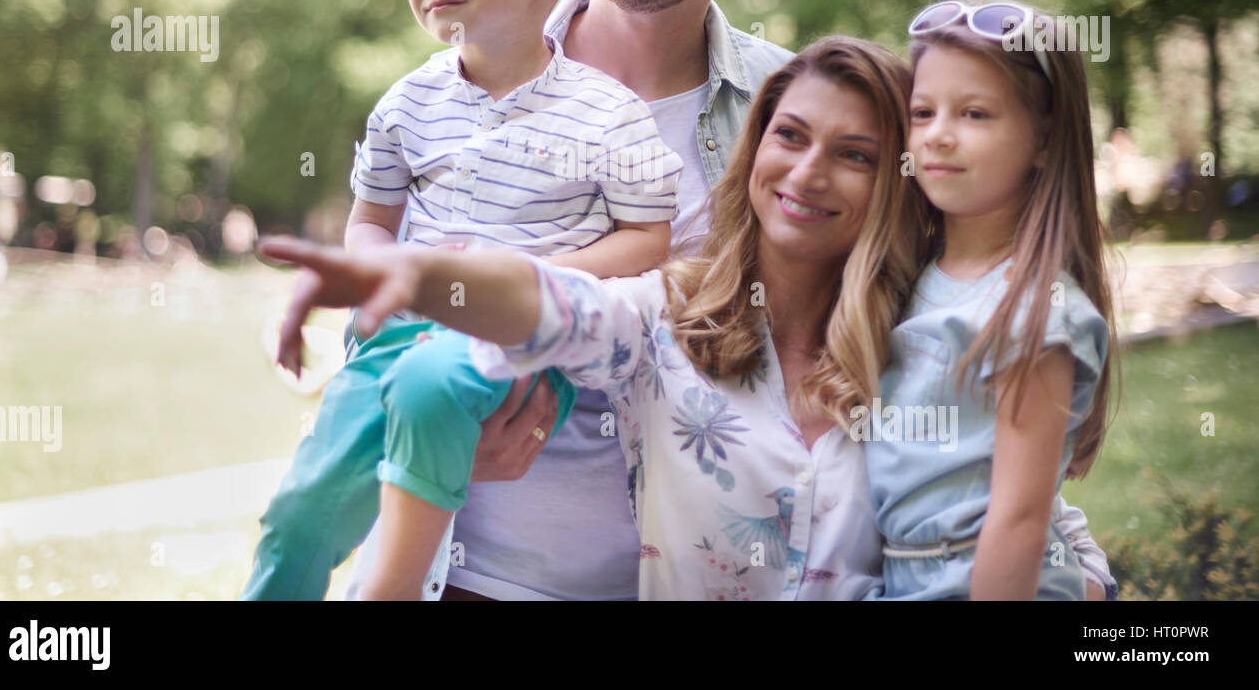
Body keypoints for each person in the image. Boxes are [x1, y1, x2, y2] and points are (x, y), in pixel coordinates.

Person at [353, 0, 1116, 601]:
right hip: (458, 569)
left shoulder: (796, 121)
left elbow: (932, 332)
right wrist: (419, 423)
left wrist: (1067, 554)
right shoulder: (456, 84)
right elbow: (372, 299)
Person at [265, 37, 923, 598]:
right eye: (791, 134)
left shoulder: (926, 351)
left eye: (854, 154)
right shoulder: (666, 320)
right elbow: (543, 300)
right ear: (755, 147)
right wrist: (413, 271)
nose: (809, 172)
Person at [242, 0, 684, 600]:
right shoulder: (407, 105)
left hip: (516, 339)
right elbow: (369, 223)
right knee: (300, 514)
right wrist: (388, 271)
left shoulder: (608, 112)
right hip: (395, 336)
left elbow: (650, 239)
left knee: (427, 386)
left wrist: (535, 274)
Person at [863, 0, 1119, 599]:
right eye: (922, 113)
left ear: (1043, 139)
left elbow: (1020, 523)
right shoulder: (909, 275)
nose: (939, 136)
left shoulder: (1036, 310)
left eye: (975, 114)